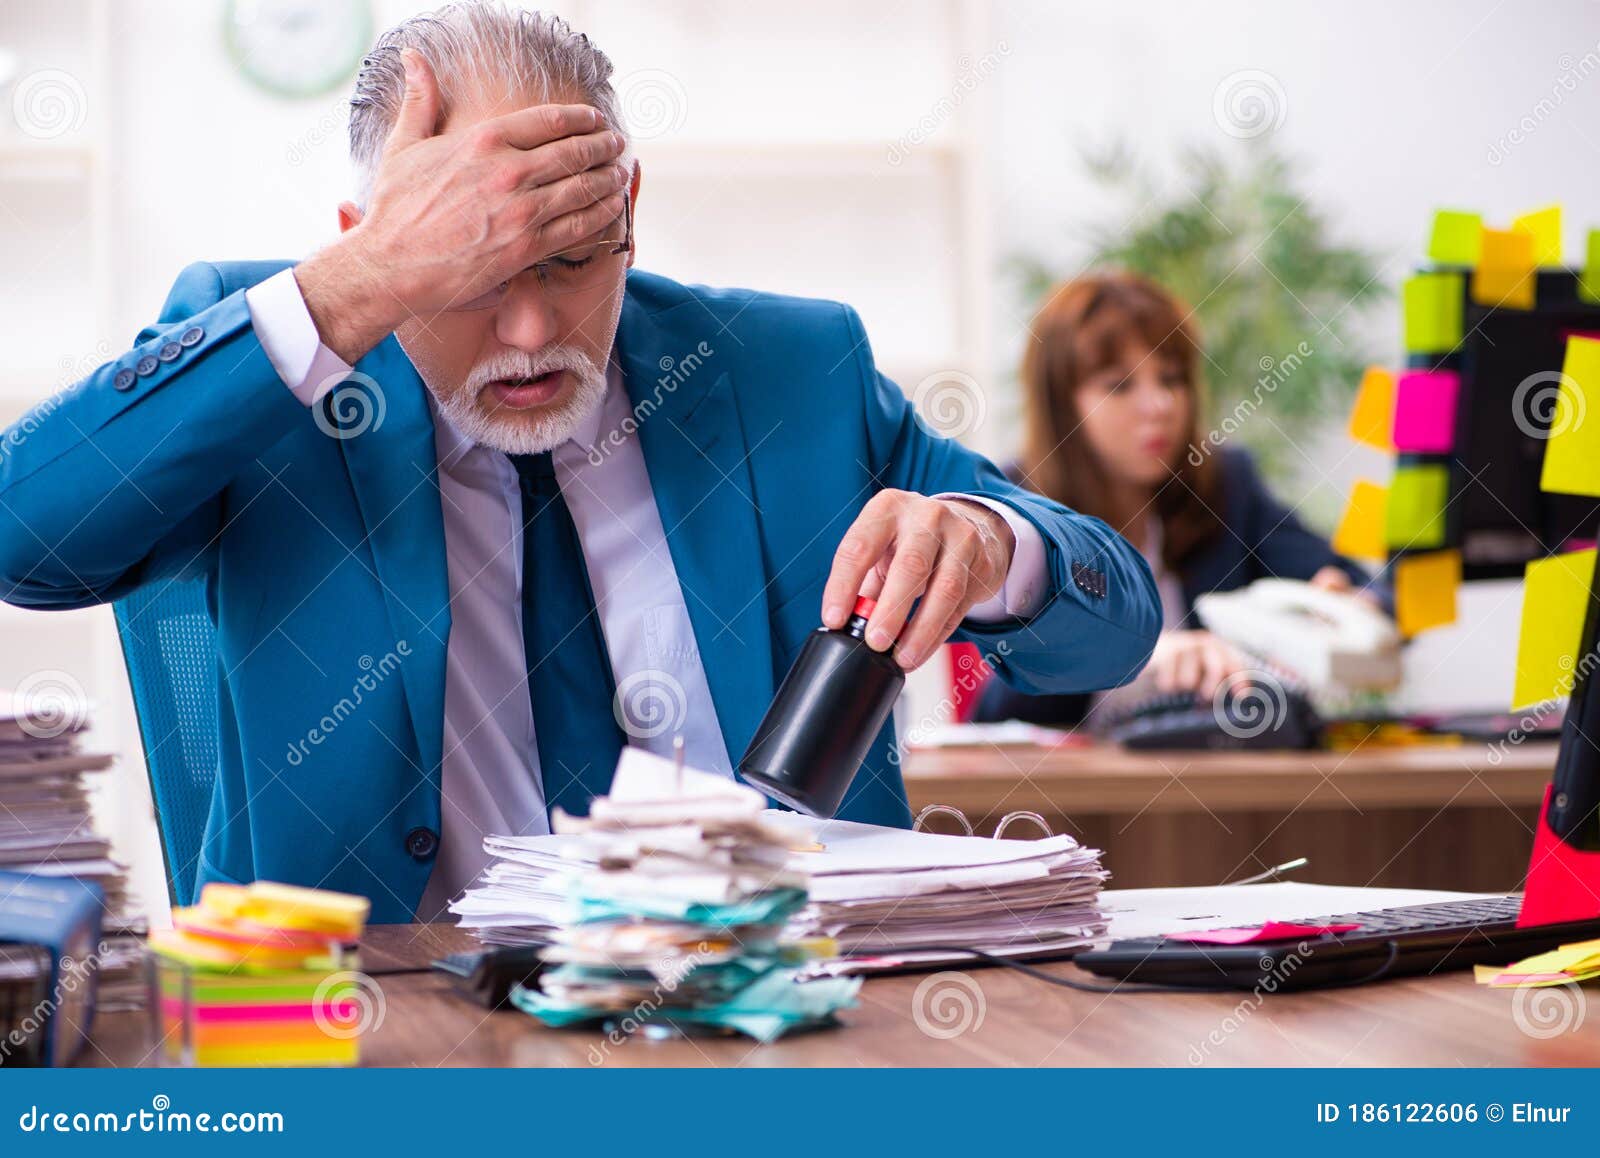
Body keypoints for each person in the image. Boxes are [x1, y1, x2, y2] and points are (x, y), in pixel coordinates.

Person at [0, 4, 1160, 920]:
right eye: (468, 274)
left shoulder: (790, 371)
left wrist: (994, 545)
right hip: (390, 1039)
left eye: (566, 259)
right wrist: (353, 291)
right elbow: (24, 537)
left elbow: (1113, 625)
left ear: (629, 209)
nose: (527, 332)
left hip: (773, 1026)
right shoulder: (283, 363)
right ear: (371, 242)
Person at [975, 271, 1385, 728]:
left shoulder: (1226, 485)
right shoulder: (1012, 514)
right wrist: (1130, 651)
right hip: (1065, 774)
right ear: (1062, 405)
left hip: (1214, 766)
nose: (1160, 406)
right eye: (1119, 385)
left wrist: (1349, 602)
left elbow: (1366, 590)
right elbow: (997, 715)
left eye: (1171, 379)